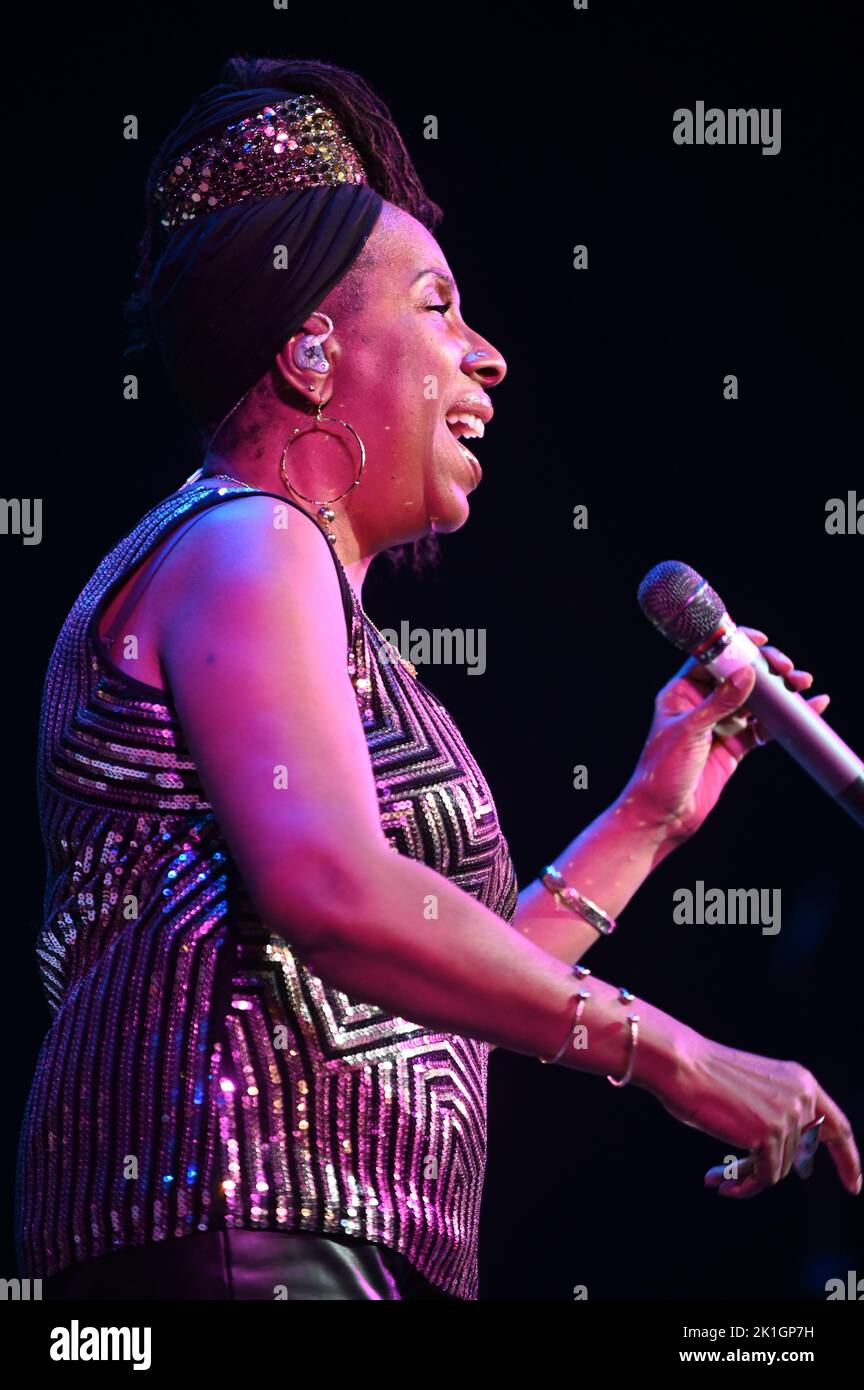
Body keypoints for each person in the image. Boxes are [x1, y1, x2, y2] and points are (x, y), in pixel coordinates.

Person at [15, 56, 860, 1303]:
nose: (488, 355)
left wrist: (652, 811)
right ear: (311, 346)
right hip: (239, 1229)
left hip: (318, 1241)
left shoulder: (299, 594)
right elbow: (337, 895)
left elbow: (432, 992)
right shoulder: (249, 539)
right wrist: (679, 1056)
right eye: (438, 306)